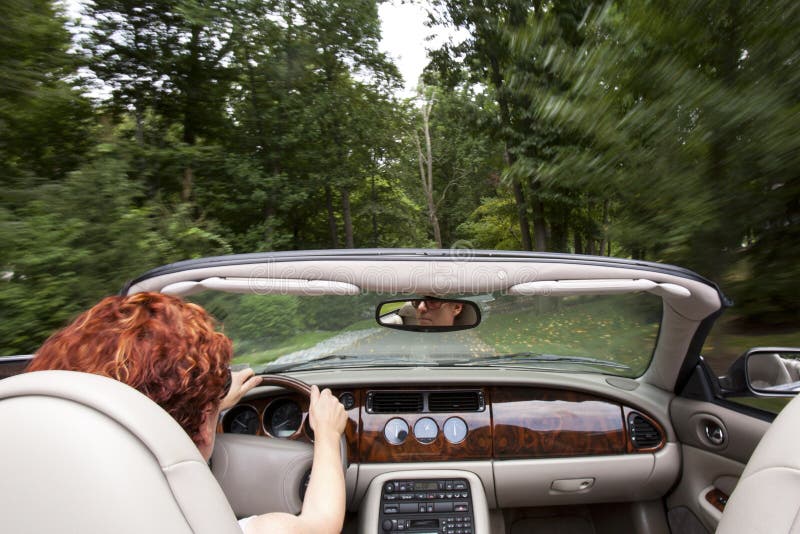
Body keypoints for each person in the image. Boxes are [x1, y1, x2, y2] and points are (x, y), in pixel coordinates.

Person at [26, 292, 347, 534]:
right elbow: (321, 523)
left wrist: (210, 403)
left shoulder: (37, 502)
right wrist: (329, 437)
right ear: (202, 430)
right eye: (206, 411)